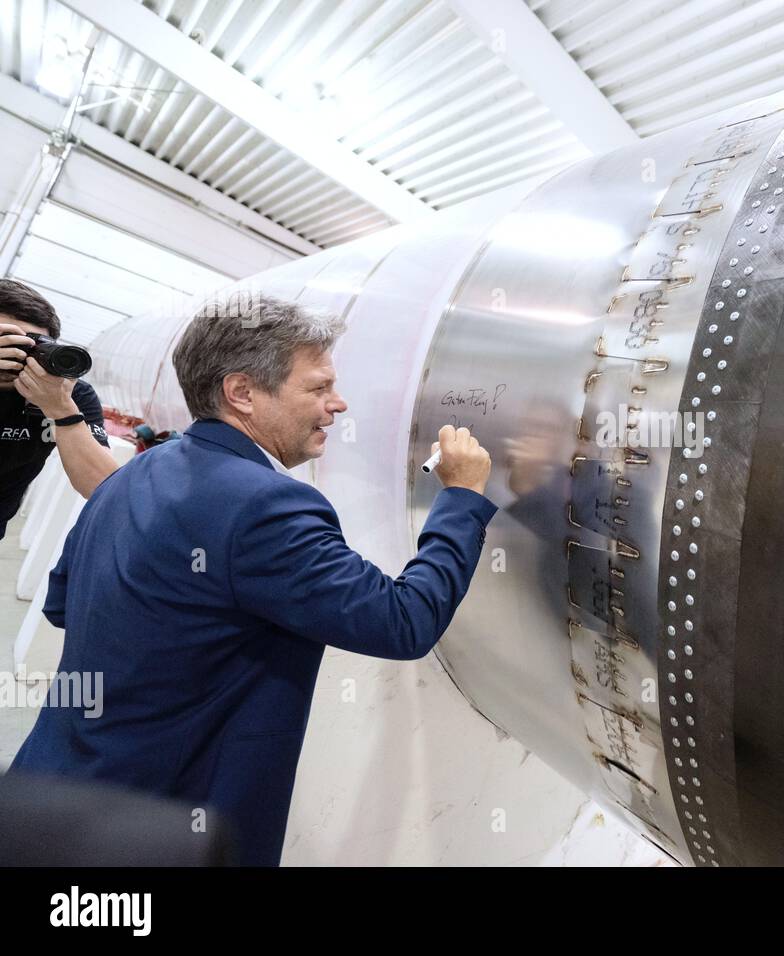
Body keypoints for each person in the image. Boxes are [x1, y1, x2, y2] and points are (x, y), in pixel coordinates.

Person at [7, 292, 496, 866]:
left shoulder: (136, 473)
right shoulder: (268, 505)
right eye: (317, 387)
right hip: (155, 828)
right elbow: (403, 622)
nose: (337, 405)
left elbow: (63, 604)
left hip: (50, 791)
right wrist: (461, 498)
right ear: (241, 392)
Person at [0, 279, 117, 539]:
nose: (16, 355)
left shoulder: (68, 394)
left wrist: (61, 410)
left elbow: (102, 487)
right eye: (7, 340)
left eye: (30, 345)